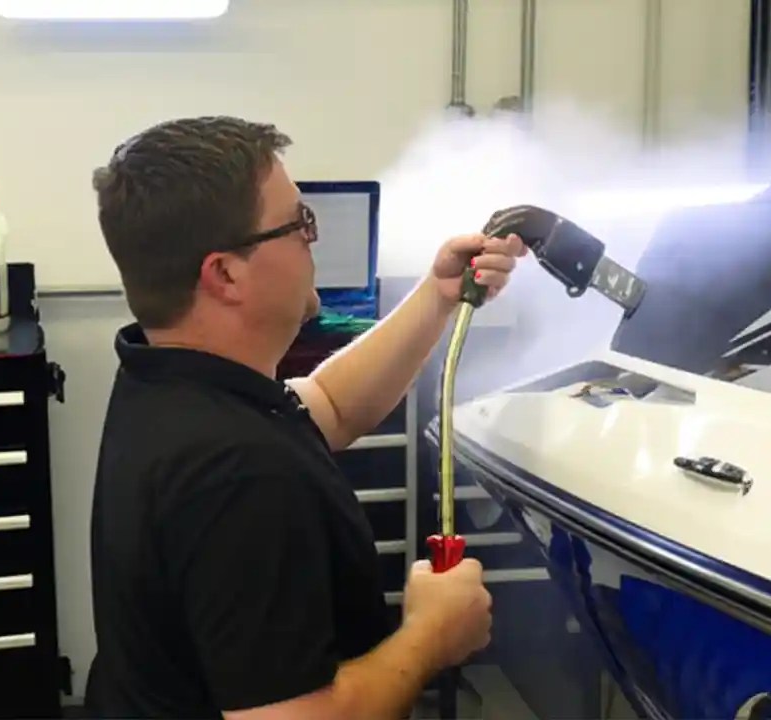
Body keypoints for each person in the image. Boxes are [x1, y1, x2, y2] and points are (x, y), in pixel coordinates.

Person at [84, 115, 528, 720]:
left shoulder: (167, 378)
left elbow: (329, 403)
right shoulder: (237, 472)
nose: (312, 240)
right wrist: (431, 635)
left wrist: (436, 294)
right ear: (226, 274)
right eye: (299, 225)